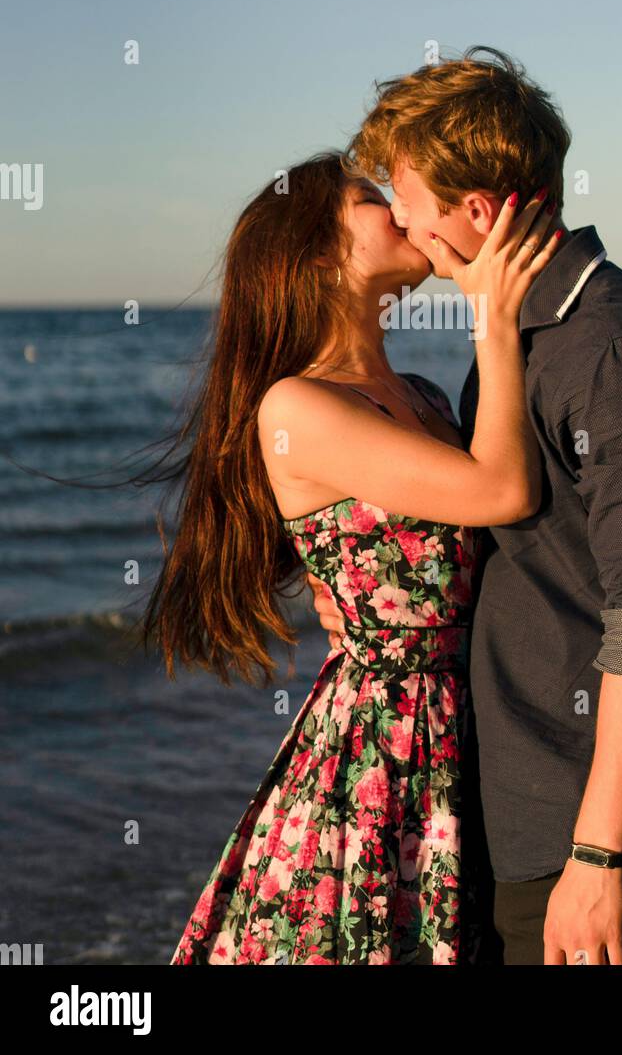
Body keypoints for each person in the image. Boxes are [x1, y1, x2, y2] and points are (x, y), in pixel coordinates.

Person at [312, 46, 622, 965]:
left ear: (476, 210)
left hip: (580, 824)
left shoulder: (621, 355)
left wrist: (597, 856)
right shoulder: (522, 341)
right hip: (515, 808)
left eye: (406, 194)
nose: (399, 218)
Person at [152, 150, 563, 964]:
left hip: (467, 732)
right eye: (372, 201)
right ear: (319, 255)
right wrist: (494, 316)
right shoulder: (298, 405)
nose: (403, 212)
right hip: (379, 753)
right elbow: (504, 491)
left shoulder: (427, 397)